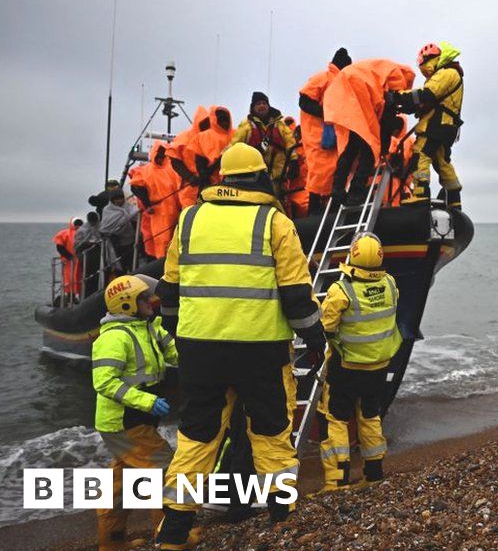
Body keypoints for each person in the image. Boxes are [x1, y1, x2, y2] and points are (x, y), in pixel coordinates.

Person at [155, 143, 326, 549]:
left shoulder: (189, 218)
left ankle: (175, 531)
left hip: (200, 349)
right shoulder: (275, 223)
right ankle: (283, 517)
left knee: (197, 436)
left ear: (224, 178)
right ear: (261, 176)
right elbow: (297, 296)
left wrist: (181, 340)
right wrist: (315, 340)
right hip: (260, 350)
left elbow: (169, 291)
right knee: (270, 432)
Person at [92, 274, 176, 551]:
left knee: (122, 480)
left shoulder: (148, 328)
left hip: (133, 421)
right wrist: (147, 402)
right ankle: (170, 536)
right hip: (125, 422)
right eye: (142, 298)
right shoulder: (115, 337)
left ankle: (111, 542)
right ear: (126, 304)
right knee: (164, 469)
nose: (150, 301)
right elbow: (104, 381)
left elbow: (176, 353)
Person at [317, 232, 401, 492]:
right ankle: (374, 475)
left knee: (335, 418)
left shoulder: (341, 290)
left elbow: (327, 327)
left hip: (346, 367)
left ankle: (337, 481)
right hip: (378, 366)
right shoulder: (390, 284)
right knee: (370, 415)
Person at [321, 59, 415, 210]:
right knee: (370, 147)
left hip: (341, 89)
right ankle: (356, 193)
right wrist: (383, 147)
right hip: (360, 91)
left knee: (352, 144)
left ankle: (337, 189)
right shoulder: (398, 77)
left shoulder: (378, 68)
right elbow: (387, 114)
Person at [387, 41, 465, 209]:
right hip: (446, 125)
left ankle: (421, 193)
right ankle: (454, 198)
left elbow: (426, 94)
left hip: (437, 124)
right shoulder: (449, 74)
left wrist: (397, 97)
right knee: (441, 161)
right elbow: (425, 101)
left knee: (420, 154)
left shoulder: (446, 73)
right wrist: (406, 105)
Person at [299, 48, 352, 213]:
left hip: (334, 136)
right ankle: (313, 213)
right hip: (317, 135)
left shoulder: (342, 81)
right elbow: (304, 101)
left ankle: (331, 211)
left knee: (335, 173)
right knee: (318, 175)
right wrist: (326, 113)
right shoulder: (322, 78)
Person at [230, 92, 297, 199]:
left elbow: (291, 143)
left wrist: (294, 161)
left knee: (282, 207)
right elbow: (233, 147)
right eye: (258, 104)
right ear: (253, 107)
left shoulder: (280, 125)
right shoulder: (246, 126)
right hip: (253, 179)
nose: (262, 106)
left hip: (278, 180)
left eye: (264, 103)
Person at [129, 142, 182, 259]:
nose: (161, 158)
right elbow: (135, 187)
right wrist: (147, 205)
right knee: (162, 239)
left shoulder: (172, 167)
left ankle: (172, 262)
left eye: (163, 155)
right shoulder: (146, 170)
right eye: (158, 155)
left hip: (175, 208)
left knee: (176, 238)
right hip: (158, 210)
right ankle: (161, 262)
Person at [99, 189, 140, 272]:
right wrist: (125, 219)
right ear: (112, 200)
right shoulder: (107, 210)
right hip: (116, 243)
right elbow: (105, 227)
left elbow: (136, 215)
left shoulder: (129, 207)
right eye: (116, 199)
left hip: (131, 240)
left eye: (121, 198)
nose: (119, 201)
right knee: (120, 266)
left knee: (133, 263)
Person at [52, 217, 83, 301]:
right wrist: (69, 257)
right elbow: (59, 247)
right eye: (76, 224)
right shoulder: (65, 234)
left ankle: (81, 296)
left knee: (81, 279)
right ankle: (70, 297)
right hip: (69, 262)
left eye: (80, 224)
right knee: (69, 280)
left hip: (81, 261)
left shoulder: (84, 233)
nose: (78, 226)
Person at [75, 211, 103, 296]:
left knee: (99, 274)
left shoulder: (101, 227)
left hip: (99, 254)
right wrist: (89, 243)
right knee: (88, 276)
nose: (94, 224)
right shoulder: (82, 230)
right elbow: (78, 245)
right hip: (86, 256)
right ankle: (87, 294)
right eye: (92, 222)